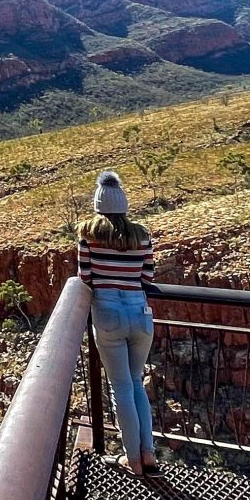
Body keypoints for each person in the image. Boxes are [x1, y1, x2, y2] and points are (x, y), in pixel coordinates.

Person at [77, 169, 160, 476]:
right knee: (136, 382)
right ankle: (148, 453)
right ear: (123, 204)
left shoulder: (88, 235)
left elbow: (85, 277)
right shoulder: (141, 235)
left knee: (122, 387)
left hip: (108, 315)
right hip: (141, 314)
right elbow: (147, 277)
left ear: (99, 204)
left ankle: (133, 461)